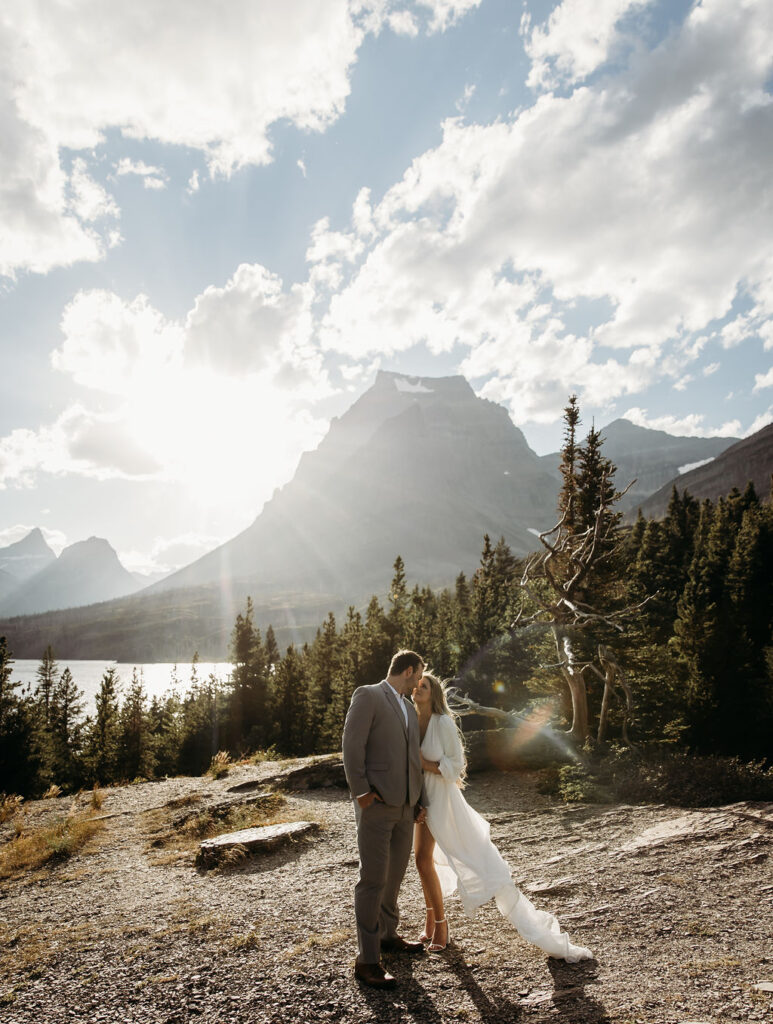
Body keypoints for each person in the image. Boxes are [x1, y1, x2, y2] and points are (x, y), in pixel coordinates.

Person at [412, 672, 593, 963]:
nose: (418, 688)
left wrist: (424, 763)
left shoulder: (443, 722)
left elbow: (456, 765)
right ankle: (433, 921)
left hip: (444, 801)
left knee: (477, 865)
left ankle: (442, 929)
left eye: (424, 685)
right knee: (422, 860)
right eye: (416, 685)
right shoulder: (412, 721)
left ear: (434, 694)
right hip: (423, 800)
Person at [342, 649, 428, 989]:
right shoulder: (368, 695)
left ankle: (389, 936)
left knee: (394, 878)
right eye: (418, 674)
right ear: (407, 671)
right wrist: (361, 792)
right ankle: (367, 959)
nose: (420, 681)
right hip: (375, 805)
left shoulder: (408, 706)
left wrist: (418, 800)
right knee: (373, 880)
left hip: (406, 807)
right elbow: (352, 745)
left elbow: (412, 760)